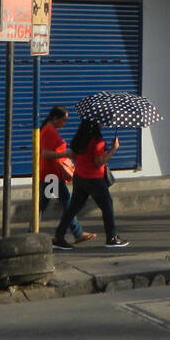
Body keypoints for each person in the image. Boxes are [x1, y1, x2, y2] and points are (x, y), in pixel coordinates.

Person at [53, 119, 128, 251]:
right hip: (95, 180)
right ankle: (112, 238)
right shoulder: (98, 142)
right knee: (107, 206)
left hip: (80, 177)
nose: (102, 124)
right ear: (95, 125)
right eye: (100, 122)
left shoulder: (80, 139)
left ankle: (59, 236)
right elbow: (99, 162)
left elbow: (75, 156)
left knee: (73, 208)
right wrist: (113, 149)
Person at [38, 107, 96, 244]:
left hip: (52, 173)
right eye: (63, 120)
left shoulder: (48, 130)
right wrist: (66, 154)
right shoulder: (49, 131)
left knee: (46, 204)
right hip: (51, 174)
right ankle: (76, 233)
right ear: (55, 118)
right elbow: (45, 154)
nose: (65, 123)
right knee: (66, 203)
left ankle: (76, 232)